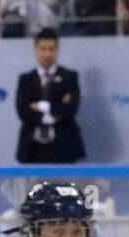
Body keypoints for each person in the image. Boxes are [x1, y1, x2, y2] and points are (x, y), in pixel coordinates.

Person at [14, 28, 84, 165]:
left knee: (65, 185)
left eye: (51, 49)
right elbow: (23, 111)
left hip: (63, 146)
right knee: (34, 186)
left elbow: (71, 109)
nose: (47, 54)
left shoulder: (69, 77)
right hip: (32, 148)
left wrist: (41, 106)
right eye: (43, 49)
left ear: (57, 50)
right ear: (36, 49)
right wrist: (56, 109)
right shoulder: (26, 79)